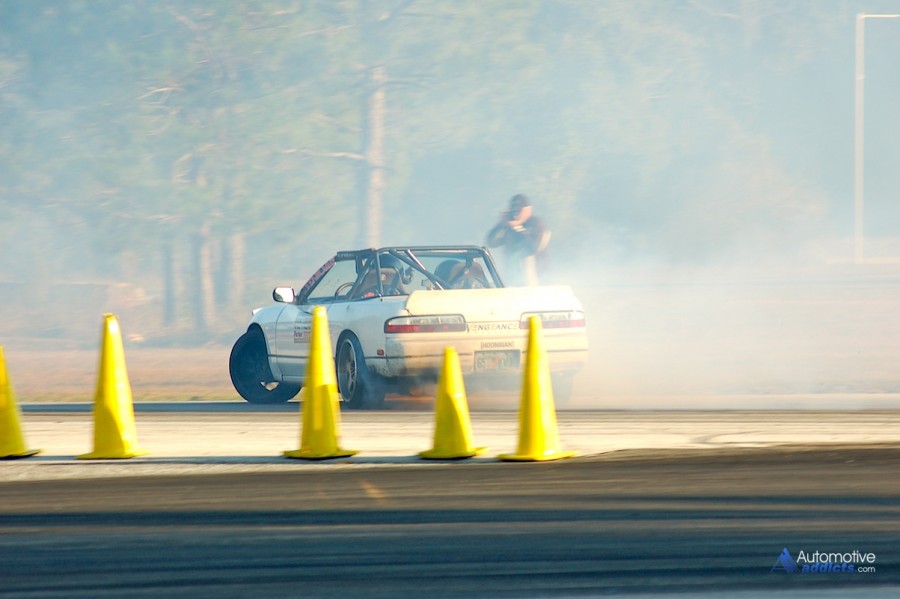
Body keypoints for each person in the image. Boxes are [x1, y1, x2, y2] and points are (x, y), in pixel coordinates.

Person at [485, 194, 550, 286]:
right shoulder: (508, 227)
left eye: (519, 209)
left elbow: (534, 247)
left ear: (528, 209)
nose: (516, 213)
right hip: (512, 280)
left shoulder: (536, 223)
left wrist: (518, 227)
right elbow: (491, 242)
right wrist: (502, 224)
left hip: (534, 281)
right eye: (514, 210)